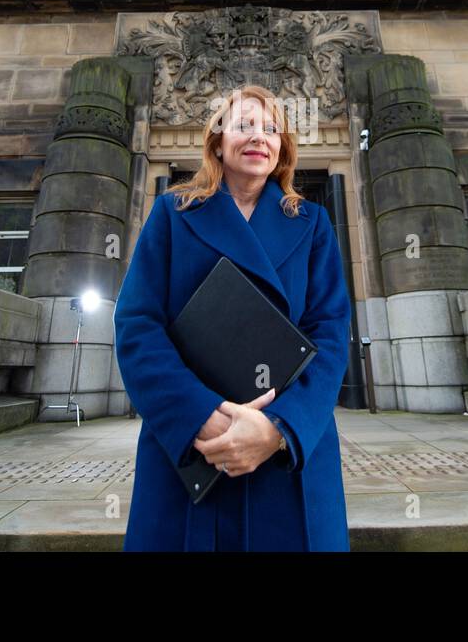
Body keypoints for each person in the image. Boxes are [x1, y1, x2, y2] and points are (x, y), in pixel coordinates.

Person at [114, 84, 352, 551]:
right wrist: (199, 415)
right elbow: (138, 326)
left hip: (286, 450)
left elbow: (330, 334)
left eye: (271, 129)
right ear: (217, 141)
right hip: (193, 443)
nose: (258, 136)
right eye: (243, 125)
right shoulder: (171, 214)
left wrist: (277, 429)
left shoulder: (313, 223)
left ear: (282, 147)